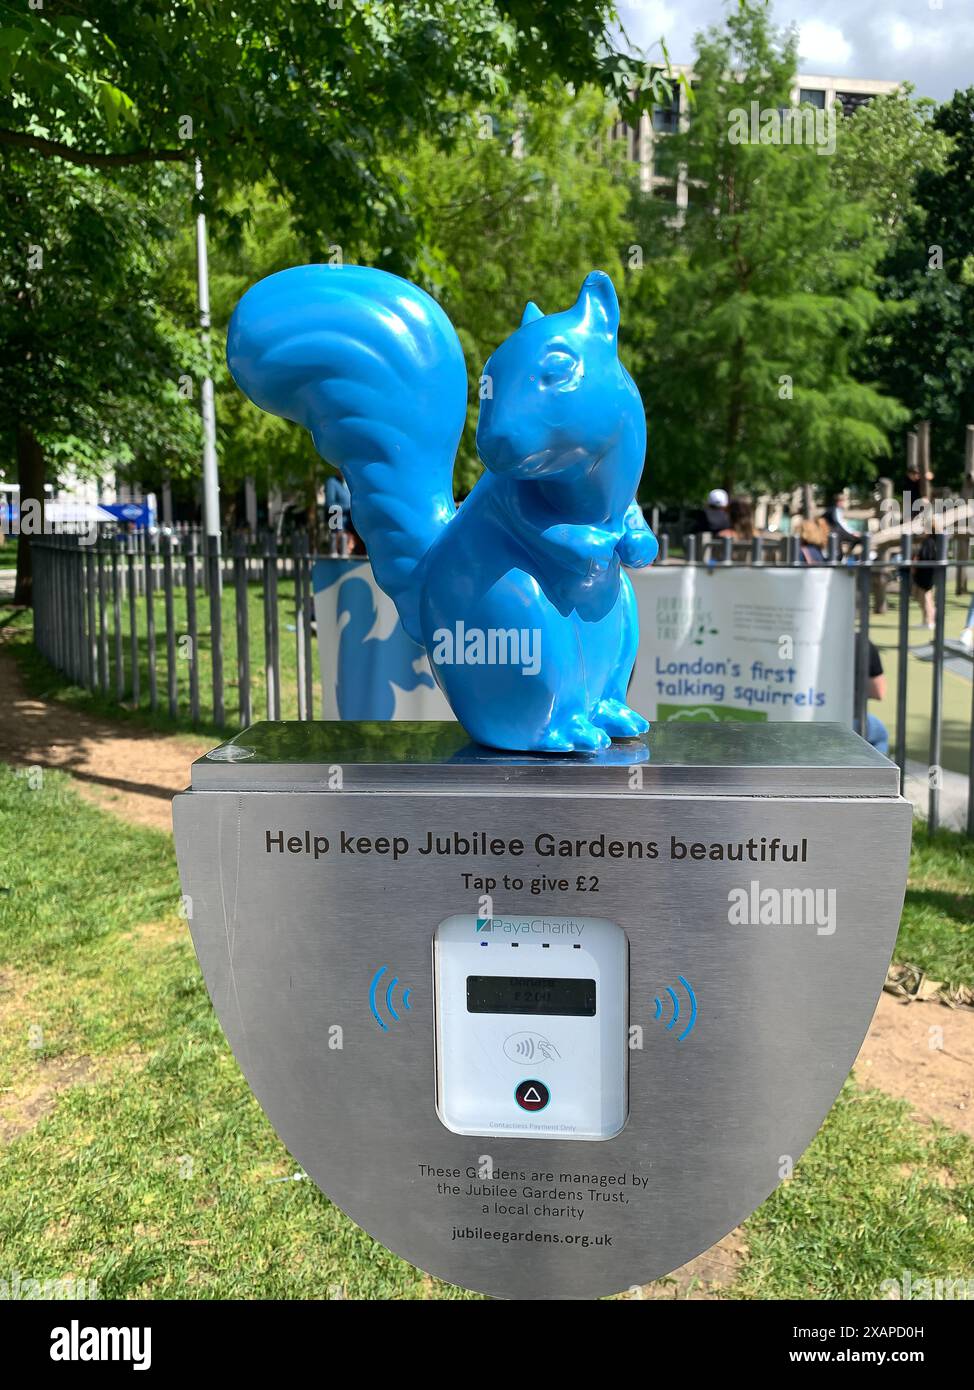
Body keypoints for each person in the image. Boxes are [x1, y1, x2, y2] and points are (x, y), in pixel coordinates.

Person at [853, 633, 889, 756]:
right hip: (850, 718)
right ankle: (873, 773)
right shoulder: (860, 642)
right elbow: (879, 692)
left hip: (803, 716)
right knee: (879, 736)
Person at [824, 490, 863, 555]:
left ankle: (848, 553)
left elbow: (843, 524)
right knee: (859, 539)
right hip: (836, 535)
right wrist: (852, 533)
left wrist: (853, 532)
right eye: (843, 501)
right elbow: (840, 525)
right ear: (839, 502)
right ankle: (848, 554)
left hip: (838, 535)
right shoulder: (834, 511)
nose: (843, 503)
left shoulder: (837, 510)